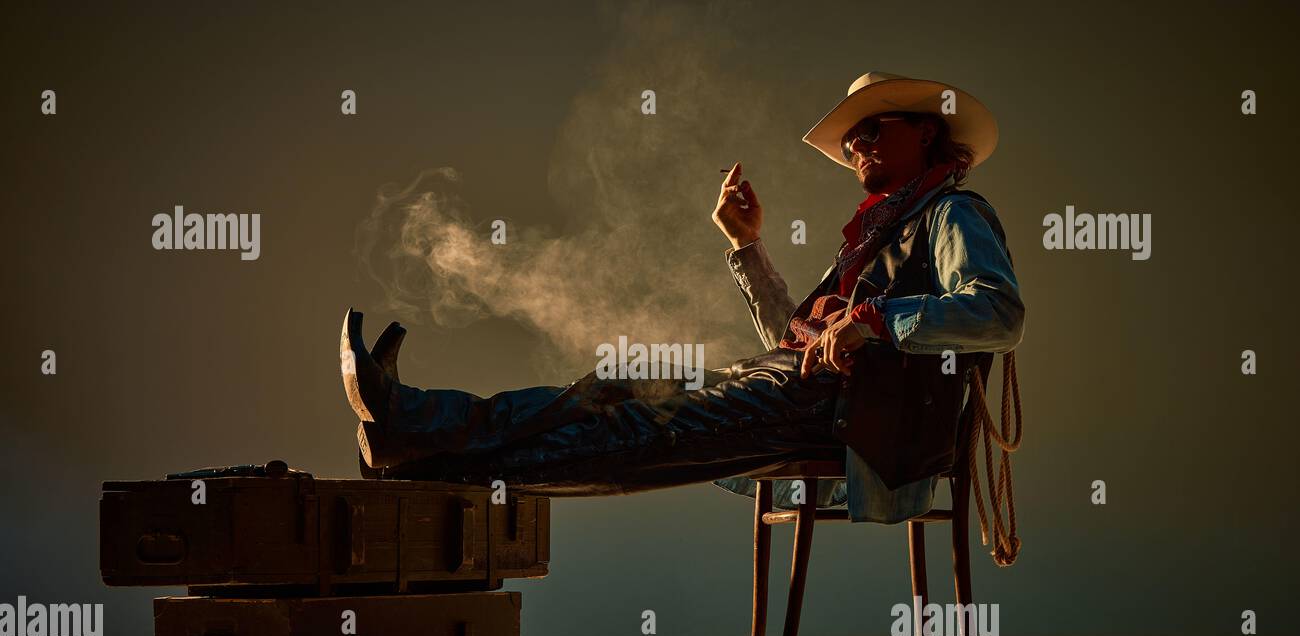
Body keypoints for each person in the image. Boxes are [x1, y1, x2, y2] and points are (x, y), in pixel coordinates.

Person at [340, 71, 1025, 523]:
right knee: (613, 386)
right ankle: (417, 427)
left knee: (636, 432)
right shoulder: (877, 230)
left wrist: (876, 319)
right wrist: (746, 245)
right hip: (793, 385)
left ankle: (415, 443)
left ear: (927, 131)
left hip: (843, 413)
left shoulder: (952, 214)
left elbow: (998, 310)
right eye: (850, 141)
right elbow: (789, 339)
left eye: (870, 130)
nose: (855, 147)